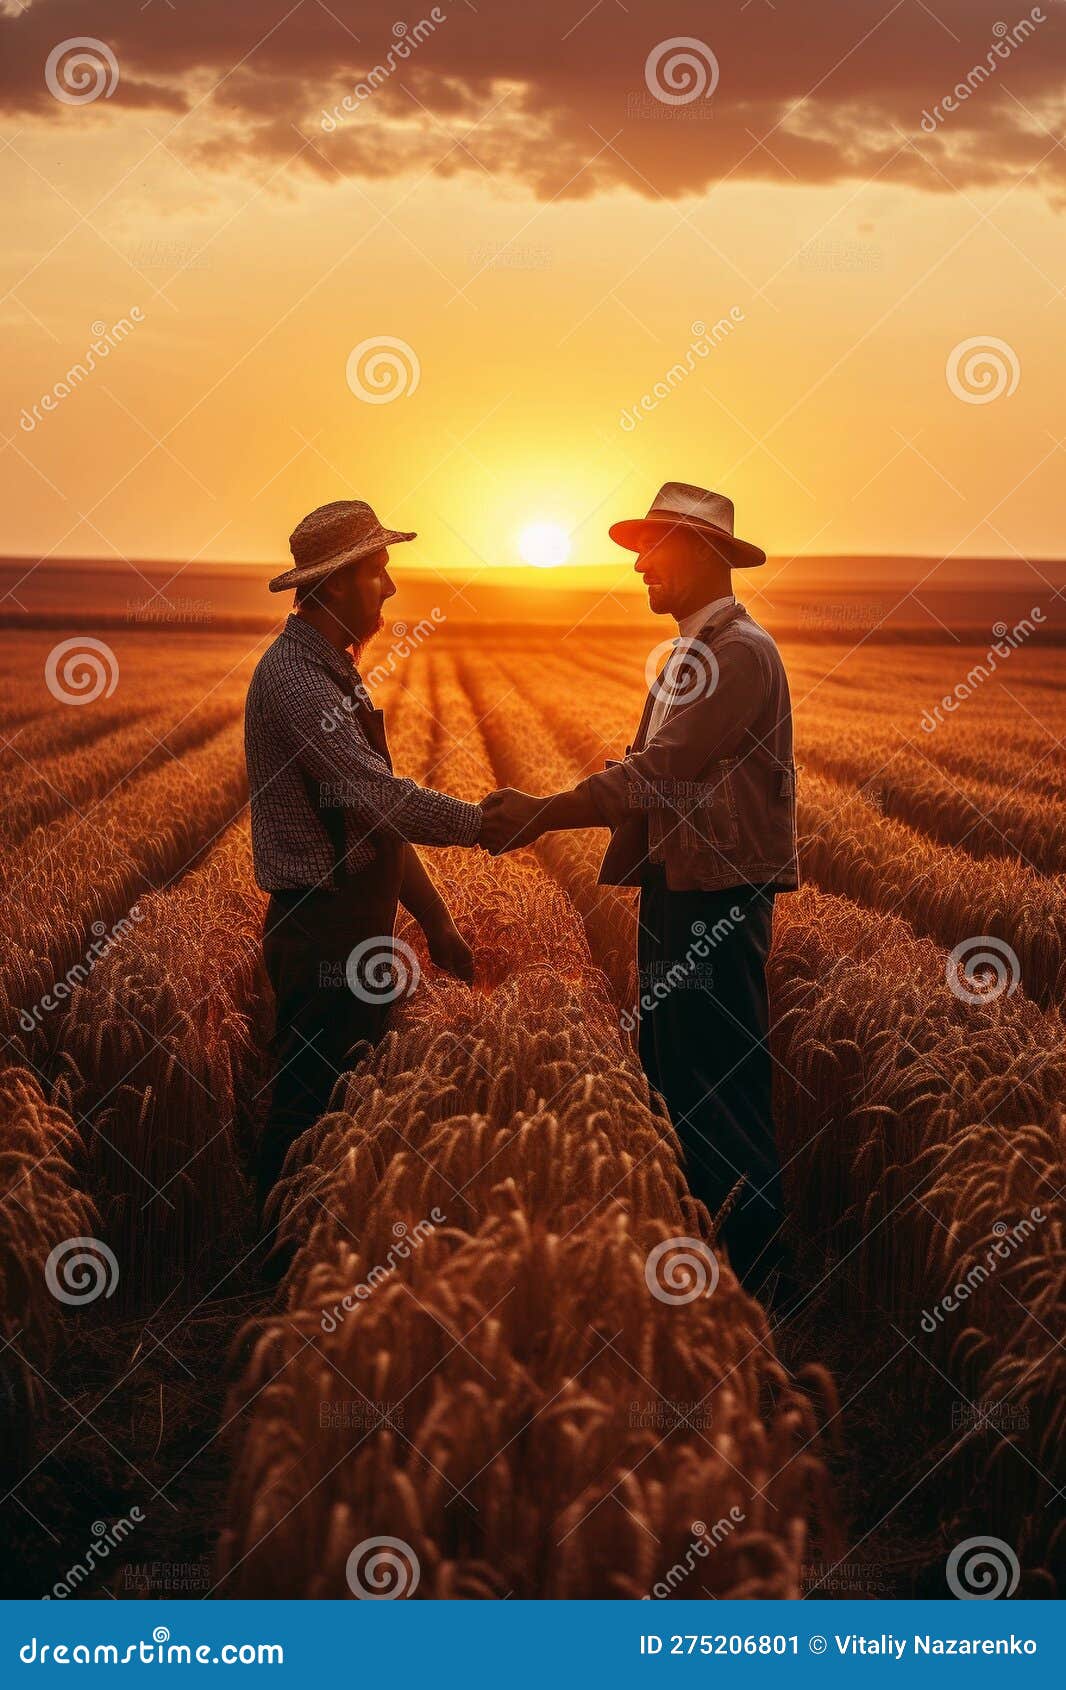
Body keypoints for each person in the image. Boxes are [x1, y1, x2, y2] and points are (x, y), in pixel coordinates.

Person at [479, 482, 799, 1292]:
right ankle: (710, 1263)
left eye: (653, 550)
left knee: (714, 1075)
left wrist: (544, 813)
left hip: (715, 901)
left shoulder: (736, 654)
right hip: (683, 890)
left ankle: (758, 1275)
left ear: (700, 553)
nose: (640, 568)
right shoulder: (699, 650)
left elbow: (658, 776)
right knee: (675, 1072)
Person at [245, 499, 486, 1218]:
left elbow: (370, 827)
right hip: (322, 929)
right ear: (341, 581)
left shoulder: (333, 670)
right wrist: (486, 824)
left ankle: (322, 1249)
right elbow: (380, 799)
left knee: (347, 1103)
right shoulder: (294, 680)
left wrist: (437, 923)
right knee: (309, 1106)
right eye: (379, 569)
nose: (390, 585)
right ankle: (278, 1270)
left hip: (353, 928)